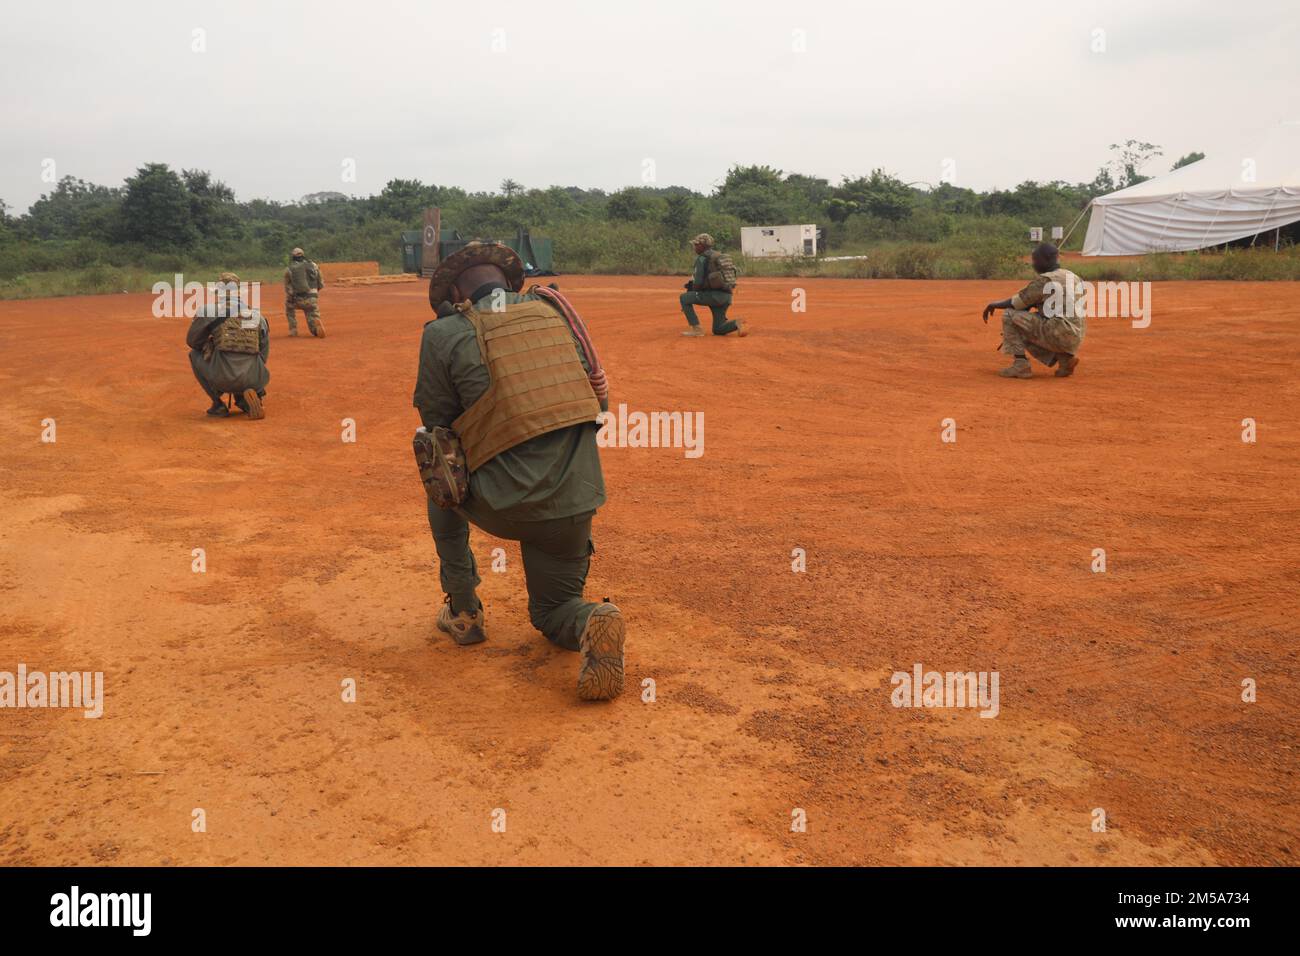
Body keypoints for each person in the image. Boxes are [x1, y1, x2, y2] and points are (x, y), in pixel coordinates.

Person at [413, 241, 624, 700]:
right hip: (577, 497)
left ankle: (465, 612)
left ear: (456, 294)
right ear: (511, 282)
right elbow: (599, 401)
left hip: (503, 503)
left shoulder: (444, 332)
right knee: (553, 612)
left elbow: (438, 424)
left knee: (438, 472)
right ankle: (588, 619)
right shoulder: (556, 312)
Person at [981, 243, 1086, 378]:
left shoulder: (1045, 280)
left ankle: (1021, 365)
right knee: (1043, 323)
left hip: (1057, 332)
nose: (1034, 264)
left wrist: (994, 304)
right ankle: (1065, 360)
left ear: (1047, 259)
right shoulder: (1074, 277)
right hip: (1076, 335)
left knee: (1010, 316)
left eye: (1036, 260)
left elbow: (1016, 303)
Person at [186, 272, 269, 419]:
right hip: (254, 377)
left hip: (222, 378)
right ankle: (248, 396)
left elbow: (193, 342)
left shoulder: (208, 311)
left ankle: (218, 404)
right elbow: (264, 352)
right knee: (253, 357)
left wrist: (211, 343)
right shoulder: (257, 315)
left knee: (194, 354)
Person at [680, 233, 747, 337]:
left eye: (696, 245)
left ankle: (697, 329)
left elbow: (698, 281)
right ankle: (736, 323)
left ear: (702, 246)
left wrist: (694, 291)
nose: (695, 247)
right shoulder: (718, 255)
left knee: (684, 298)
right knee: (718, 329)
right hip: (726, 297)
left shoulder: (702, 258)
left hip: (713, 296)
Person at [283, 247, 325, 337]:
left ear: (293, 257)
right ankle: (315, 328)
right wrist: (313, 293)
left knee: (289, 307)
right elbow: (321, 283)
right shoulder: (314, 265)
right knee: (311, 311)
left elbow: (288, 288)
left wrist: (292, 296)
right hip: (313, 297)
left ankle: (293, 329)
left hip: (299, 298)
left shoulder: (289, 269)